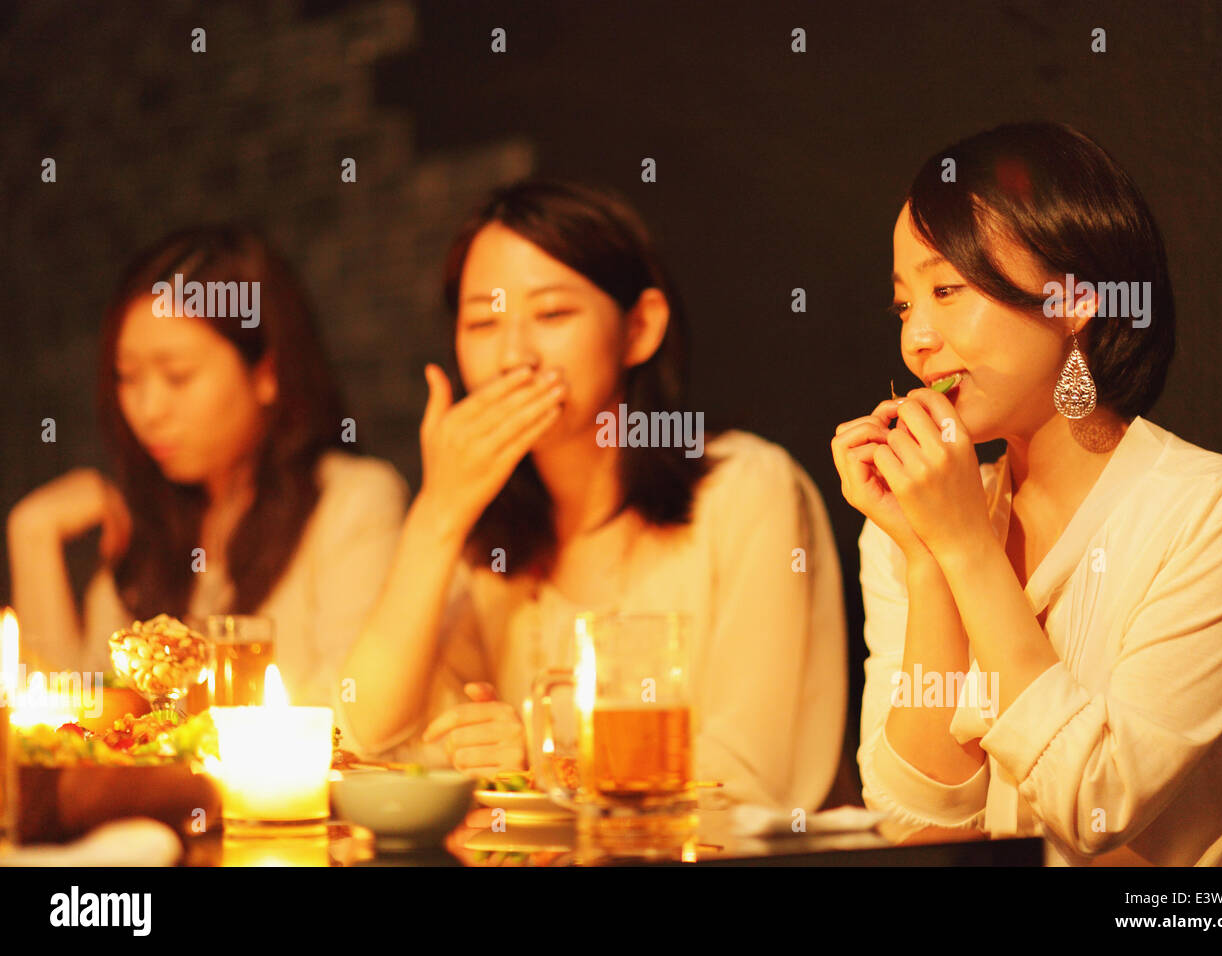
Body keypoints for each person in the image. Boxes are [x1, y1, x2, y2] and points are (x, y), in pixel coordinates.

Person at [832, 121, 1222, 865]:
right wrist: (927, 559)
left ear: (1075, 301)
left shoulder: (1219, 510)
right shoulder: (912, 521)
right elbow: (916, 819)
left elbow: (1098, 804)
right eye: (904, 306)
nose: (917, 339)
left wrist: (964, 547)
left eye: (946, 289)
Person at [341, 180, 846, 810]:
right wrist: (436, 517)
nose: (514, 356)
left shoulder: (748, 489)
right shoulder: (484, 536)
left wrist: (547, 757)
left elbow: (754, 777)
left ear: (640, 327)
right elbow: (370, 739)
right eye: (483, 322)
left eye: (552, 314)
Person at [6, 226, 407, 728]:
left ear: (266, 373)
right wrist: (32, 535)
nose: (148, 409)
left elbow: (357, 723)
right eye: (128, 377)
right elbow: (74, 724)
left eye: (177, 376)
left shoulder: (350, 503)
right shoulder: (149, 527)